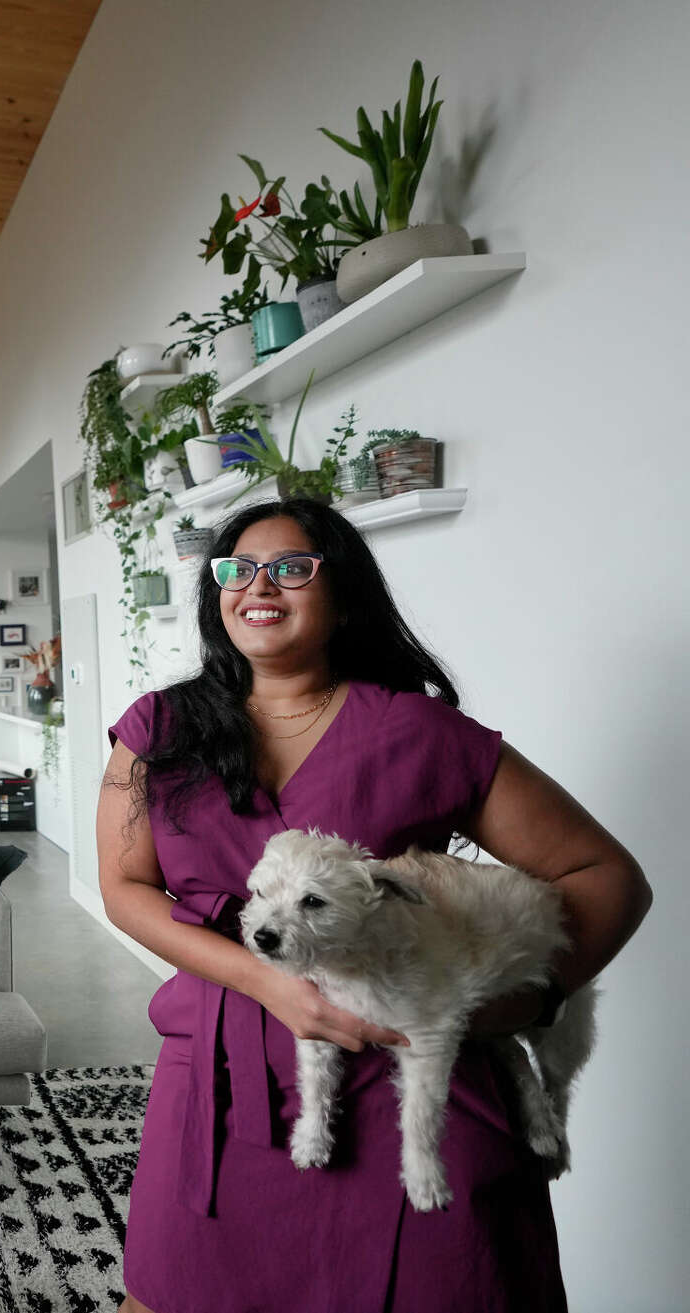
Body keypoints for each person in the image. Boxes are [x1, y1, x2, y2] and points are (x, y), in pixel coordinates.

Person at [96, 499, 650, 1313]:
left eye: (292, 567)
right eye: (236, 569)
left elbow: (605, 874)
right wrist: (265, 981)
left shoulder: (423, 733)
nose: (260, 586)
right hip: (218, 1088)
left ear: (343, 593)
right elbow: (126, 888)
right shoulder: (159, 729)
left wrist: (525, 1000)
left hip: (408, 1097)